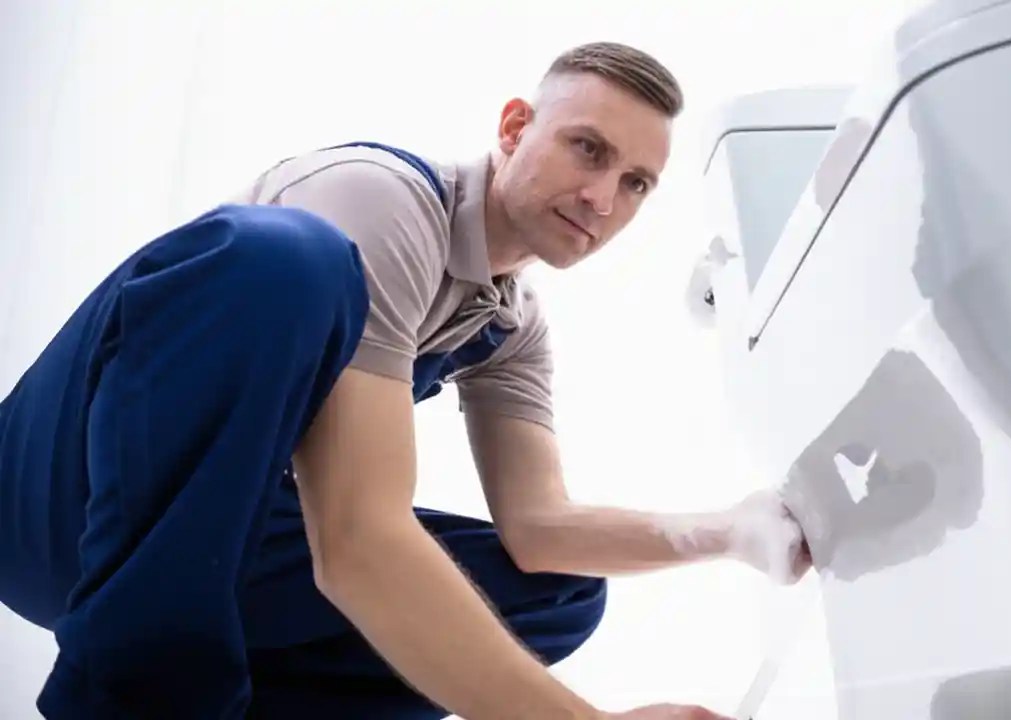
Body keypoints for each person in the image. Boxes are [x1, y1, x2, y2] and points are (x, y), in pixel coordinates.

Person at [0, 41, 811, 719]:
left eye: (636, 183)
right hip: (56, 498)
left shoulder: (509, 323)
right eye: (588, 150)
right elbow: (357, 538)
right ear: (515, 127)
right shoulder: (376, 198)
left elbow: (539, 529)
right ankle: (142, 699)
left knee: (557, 594)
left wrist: (729, 531)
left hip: (206, 553)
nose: (603, 198)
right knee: (287, 258)